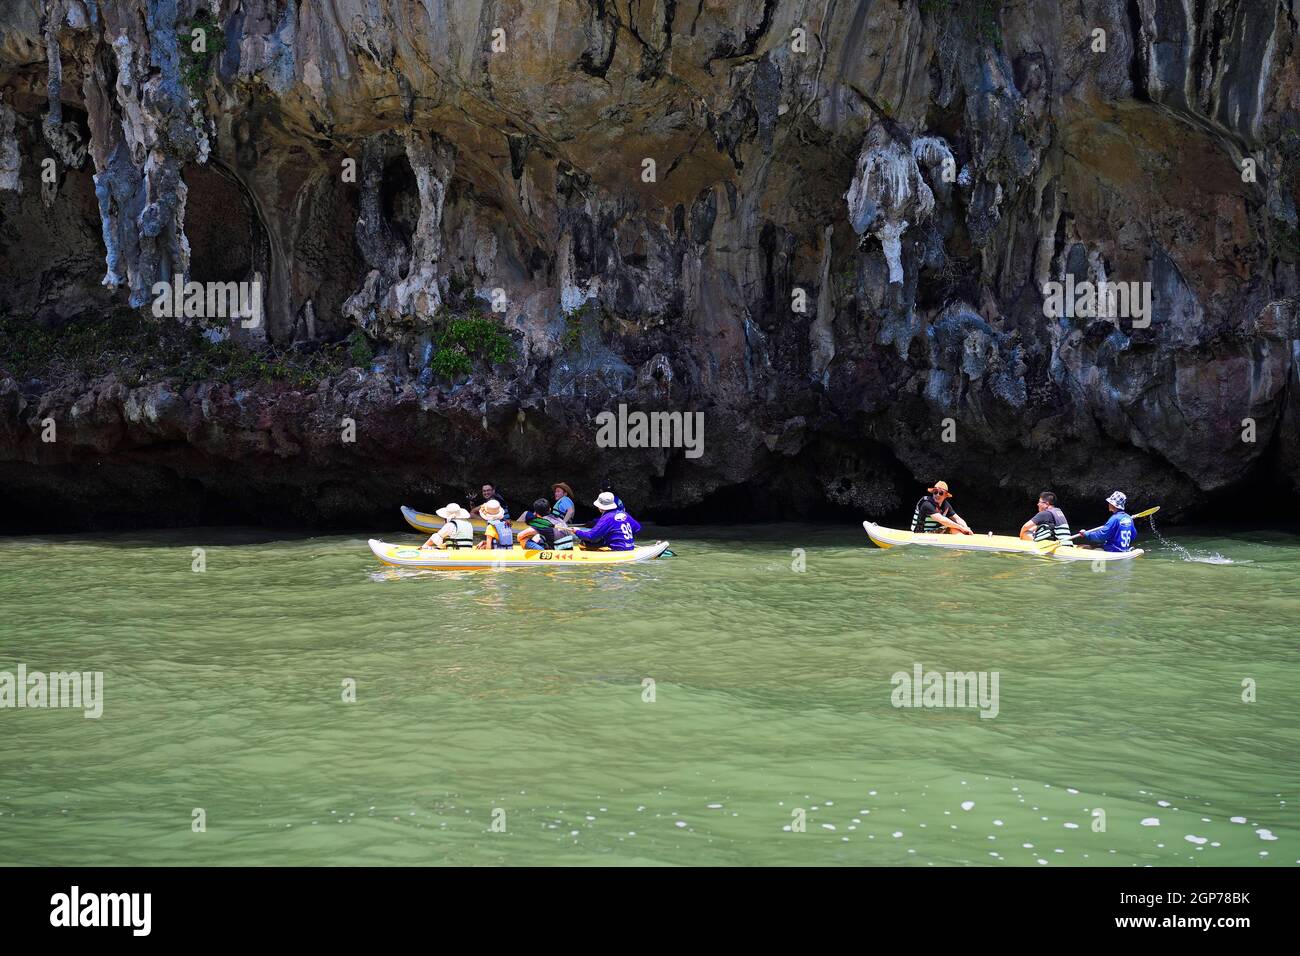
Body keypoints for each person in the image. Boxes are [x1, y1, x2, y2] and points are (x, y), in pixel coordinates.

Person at [558, 492, 640, 551]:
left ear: (600, 507)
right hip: (630, 547)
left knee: (584, 542)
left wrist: (577, 532)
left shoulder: (606, 518)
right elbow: (637, 528)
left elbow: (591, 536)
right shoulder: (624, 514)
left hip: (617, 549)